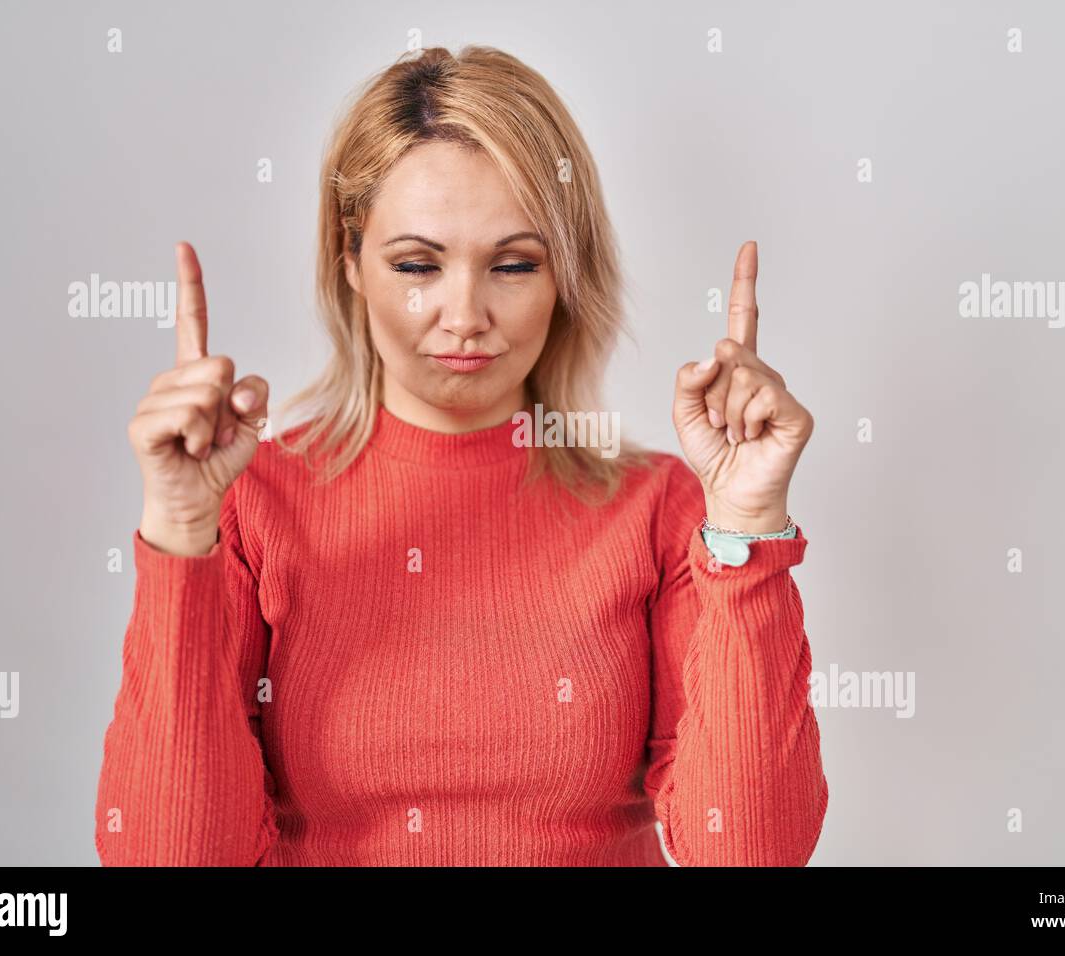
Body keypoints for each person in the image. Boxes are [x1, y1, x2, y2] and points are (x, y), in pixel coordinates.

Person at [96, 45, 826, 866]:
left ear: (564, 277)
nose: (465, 315)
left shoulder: (663, 511)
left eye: (514, 265)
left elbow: (752, 854)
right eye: (416, 265)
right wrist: (182, 532)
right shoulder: (250, 502)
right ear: (352, 266)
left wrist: (748, 524)